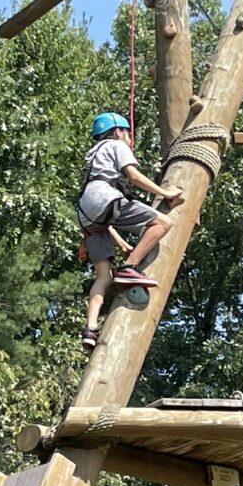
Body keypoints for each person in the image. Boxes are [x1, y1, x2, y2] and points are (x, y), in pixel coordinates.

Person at [77, 112, 184, 349]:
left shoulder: (95, 156)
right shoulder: (116, 144)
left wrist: (123, 245)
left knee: (104, 277)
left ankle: (90, 329)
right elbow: (134, 176)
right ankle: (129, 268)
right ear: (118, 131)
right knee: (162, 223)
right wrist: (165, 194)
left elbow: (104, 220)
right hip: (104, 198)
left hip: (87, 212)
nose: (129, 138)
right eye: (128, 133)